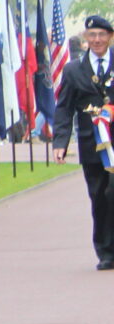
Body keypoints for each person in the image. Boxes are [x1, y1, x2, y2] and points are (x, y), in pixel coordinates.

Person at [53, 14, 114, 269]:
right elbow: (64, 108)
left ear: (110, 37)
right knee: (99, 197)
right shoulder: (73, 70)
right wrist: (60, 142)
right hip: (92, 145)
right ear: (86, 38)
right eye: (92, 35)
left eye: (102, 35)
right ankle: (106, 252)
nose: (97, 40)